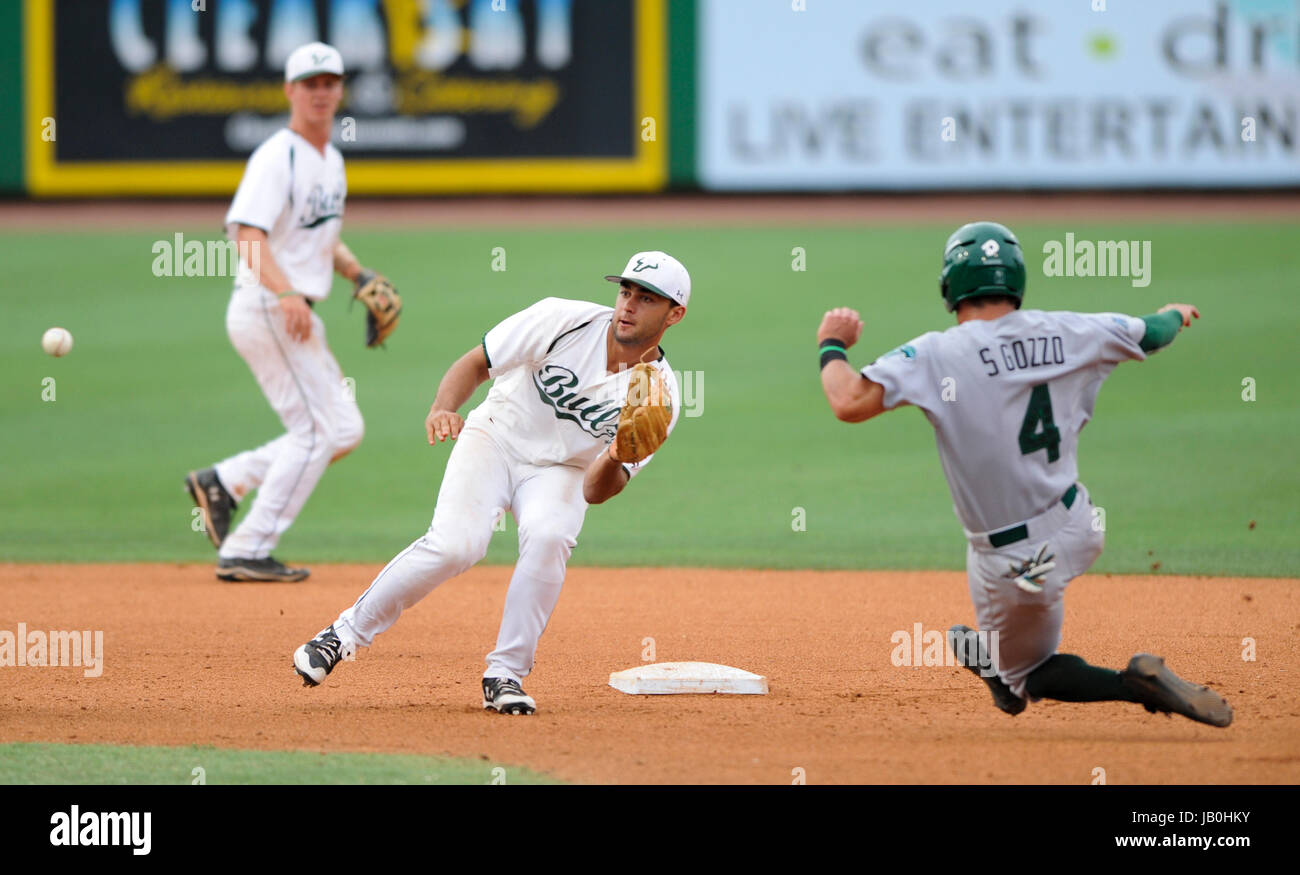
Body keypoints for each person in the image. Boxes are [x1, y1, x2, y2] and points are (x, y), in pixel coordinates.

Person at [816, 221, 1232, 727]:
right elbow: (1156, 331)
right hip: (1079, 520)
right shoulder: (1072, 330)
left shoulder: (937, 353)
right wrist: (1175, 312)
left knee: (1032, 674)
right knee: (1006, 646)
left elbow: (847, 401)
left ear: (951, 287)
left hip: (1016, 559)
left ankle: (1128, 684)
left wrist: (832, 344)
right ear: (1016, 281)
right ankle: (999, 671)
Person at [292, 251, 690, 714]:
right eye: (625, 292)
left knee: (551, 536)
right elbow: (475, 363)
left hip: (563, 471)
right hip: (497, 435)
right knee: (455, 545)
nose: (628, 306)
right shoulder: (562, 320)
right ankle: (341, 635)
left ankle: (505, 674)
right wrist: (444, 407)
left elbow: (594, 492)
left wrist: (621, 452)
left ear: (674, 314)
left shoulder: (659, 397)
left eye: (646, 299)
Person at [185, 42, 391, 582]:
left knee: (342, 429)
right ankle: (246, 548)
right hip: (268, 308)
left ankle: (224, 480)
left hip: (292, 311)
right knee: (316, 433)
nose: (321, 92)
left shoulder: (330, 158)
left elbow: (319, 239)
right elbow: (245, 233)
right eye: (310, 83)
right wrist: (285, 292)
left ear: (340, 88)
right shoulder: (279, 154)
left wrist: (359, 275)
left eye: (330, 82)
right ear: (290, 90)